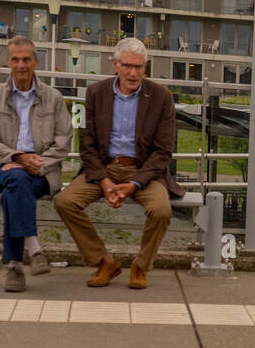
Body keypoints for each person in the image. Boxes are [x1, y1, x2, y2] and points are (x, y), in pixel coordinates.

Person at [54, 37, 184, 289]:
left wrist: (134, 184)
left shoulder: (161, 97)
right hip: (104, 168)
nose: (134, 73)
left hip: (144, 171)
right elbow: (87, 144)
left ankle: (141, 266)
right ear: (115, 64)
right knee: (65, 202)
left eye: (140, 67)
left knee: (161, 211)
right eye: (128, 66)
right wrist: (104, 181)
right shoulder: (95, 92)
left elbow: (163, 152)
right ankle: (104, 262)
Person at [0, 36, 73, 292]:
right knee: (15, 179)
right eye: (15, 59)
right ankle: (34, 247)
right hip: (6, 166)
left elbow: (64, 141)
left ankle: (16, 266)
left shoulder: (53, 98)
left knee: (14, 192)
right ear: (8, 62)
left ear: (35, 62)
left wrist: (36, 163)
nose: (21, 65)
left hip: (43, 170)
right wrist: (17, 158)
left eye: (26, 59)